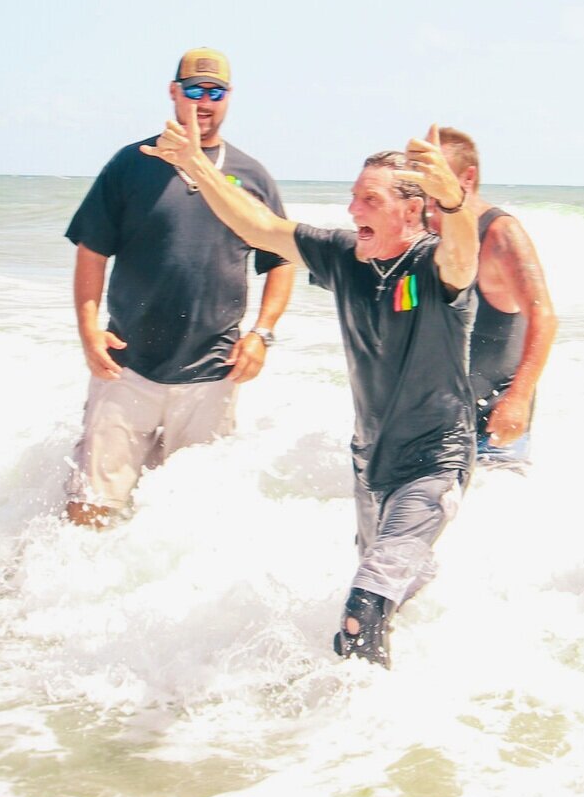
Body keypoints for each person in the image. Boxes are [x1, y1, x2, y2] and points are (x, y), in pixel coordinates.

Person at [142, 109, 478, 669]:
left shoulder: (432, 267)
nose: (353, 210)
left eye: (369, 200)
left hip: (433, 464)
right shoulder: (346, 256)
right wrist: (196, 164)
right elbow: (257, 227)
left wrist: (453, 204)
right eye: (353, 197)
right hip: (372, 465)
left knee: (363, 610)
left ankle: (350, 733)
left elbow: (463, 255)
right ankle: (407, 698)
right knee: (398, 592)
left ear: (411, 208)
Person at [63, 47, 294, 526]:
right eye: (194, 90)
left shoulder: (251, 176)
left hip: (213, 373)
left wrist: (262, 333)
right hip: (126, 368)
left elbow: (282, 260)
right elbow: (91, 251)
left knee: (196, 519)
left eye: (215, 92)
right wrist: (88, 330)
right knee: (89, 507)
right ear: (173, 93)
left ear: (229, 98)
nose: (204, 101)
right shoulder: (131, 165)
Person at [433, 129, 558, 465]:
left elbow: (543, 317)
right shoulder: (423, 230)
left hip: (495, 425)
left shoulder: (500, 235)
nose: (426, 189)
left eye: (436, 176)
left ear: (467, 177)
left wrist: (519, 398)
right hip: (436, 423)